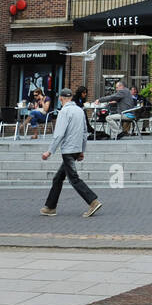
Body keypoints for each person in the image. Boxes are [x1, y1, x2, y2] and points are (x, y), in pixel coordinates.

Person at [40, 88, 102, 218]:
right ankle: (50, 207)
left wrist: (49, 151)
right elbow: (85, 133)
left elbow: (59, 134)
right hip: (76, 148)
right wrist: (81, 150)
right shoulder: (80, 111)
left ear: (61, 98)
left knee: (73, 178)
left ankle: (93, 201)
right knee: (58, 178)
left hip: (68, 149)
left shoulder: (64, 112)